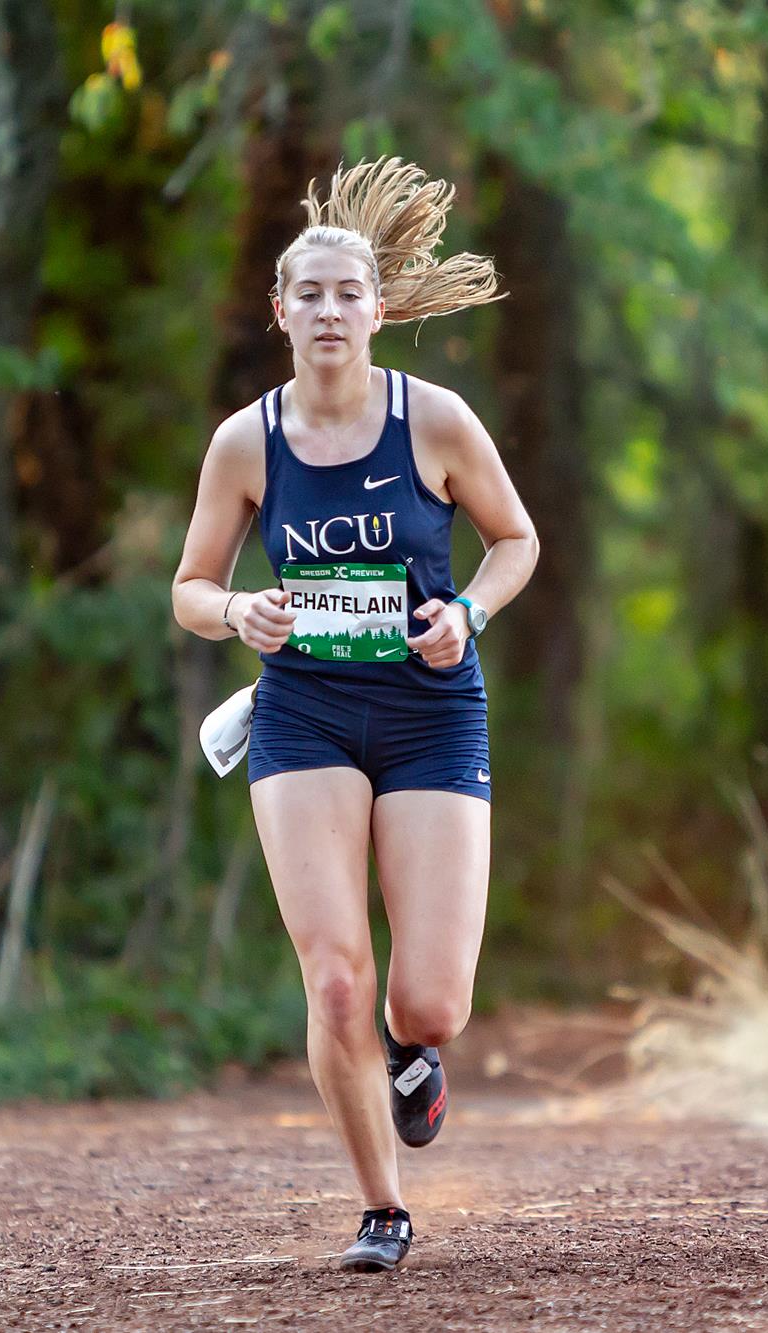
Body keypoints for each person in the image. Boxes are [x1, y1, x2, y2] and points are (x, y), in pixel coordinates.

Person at [171, 157, 539, 1272]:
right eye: (309, 294)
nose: (329, 311)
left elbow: (516, 542)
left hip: (430, 711)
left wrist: (465, 614)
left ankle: (411, 1053)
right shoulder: (247, 443)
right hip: (303, 715)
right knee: (332, 975)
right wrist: (240, 610)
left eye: (348, 293)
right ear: (279, 311)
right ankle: (381, 1205)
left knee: (429, 1001)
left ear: (379, 310)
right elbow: (187, 590)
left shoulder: (434, 422)